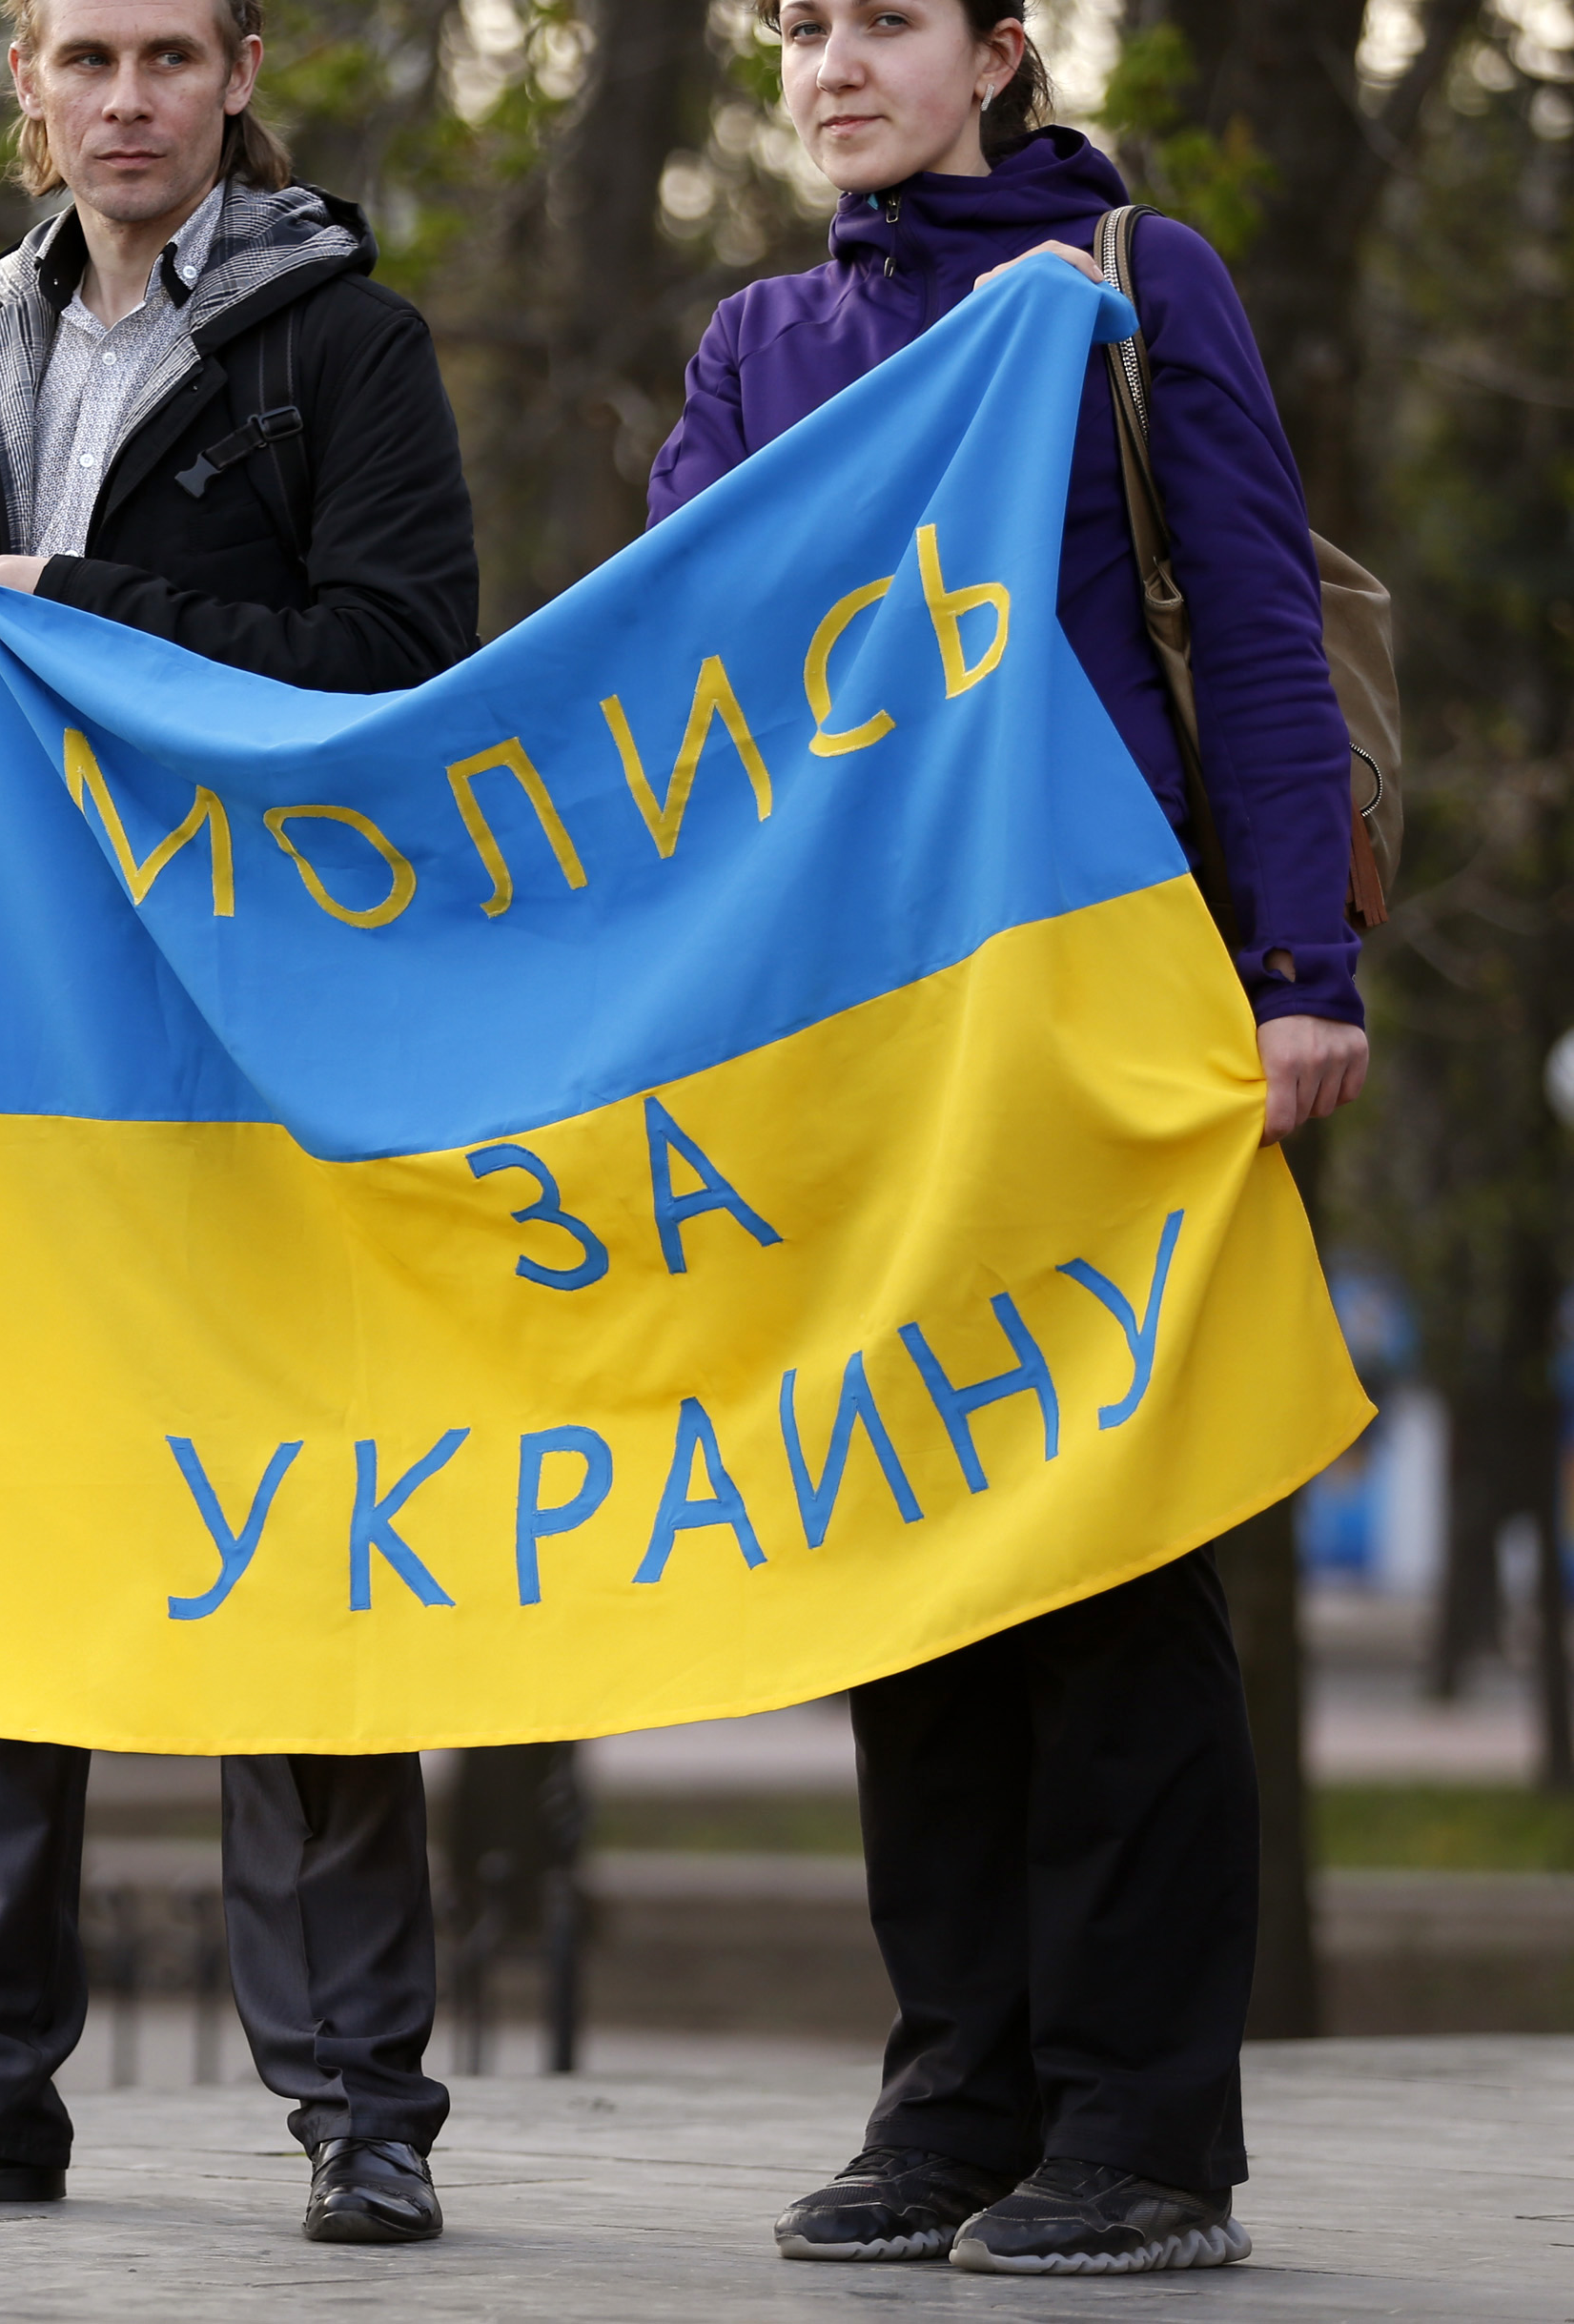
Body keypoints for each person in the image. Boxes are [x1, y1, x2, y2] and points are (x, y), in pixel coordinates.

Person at [0, 0, 481, 2246]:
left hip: (259, 1061)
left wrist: (84, 608)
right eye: (83, 60)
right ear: (24, 91)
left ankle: (360, 2105)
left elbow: (399, 666)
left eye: (165, 56)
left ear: (241, 74)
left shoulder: (346, 346)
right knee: (11, 1571)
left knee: (288, 1548)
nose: (124, 99)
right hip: (12, 1066)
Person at [644, 0, 1368, 2278]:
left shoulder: (1136, 283)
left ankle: (1142, 2133)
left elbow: (1250, 621)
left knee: (1113, 1557)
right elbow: (671, 664)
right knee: (915, 1548)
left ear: (997, 54)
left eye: (884, 21)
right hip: (863, 1030)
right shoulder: (758, 341)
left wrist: (1300, 971)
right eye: (800, 26)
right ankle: (955, 2097)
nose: (831, 65)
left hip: (1108, 1000)